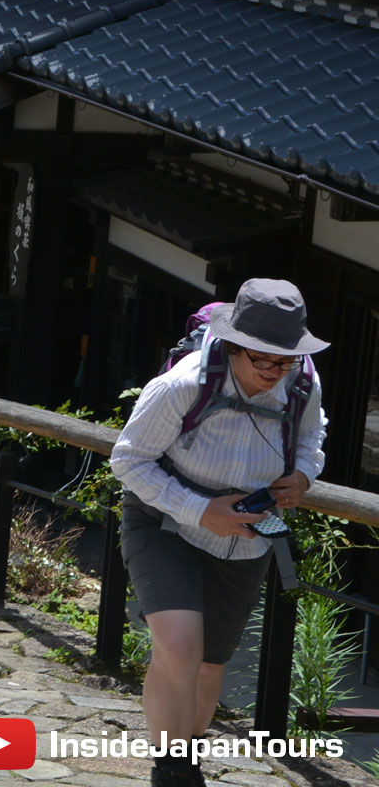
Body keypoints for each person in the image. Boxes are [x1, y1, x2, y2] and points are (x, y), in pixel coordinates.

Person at [111, 279, 327, 786]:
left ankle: (185, 754)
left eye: (285, 361)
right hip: (163, 519)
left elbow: (314, 434)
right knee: (179, 647)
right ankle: (173, 771)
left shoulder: (302, 384)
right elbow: (129, 460)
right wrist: (199, 509)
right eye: (263, 361)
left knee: (209, 664)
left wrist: (303, 474)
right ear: (233, 345)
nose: (275, 373)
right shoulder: (183, 385)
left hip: (246, 534)